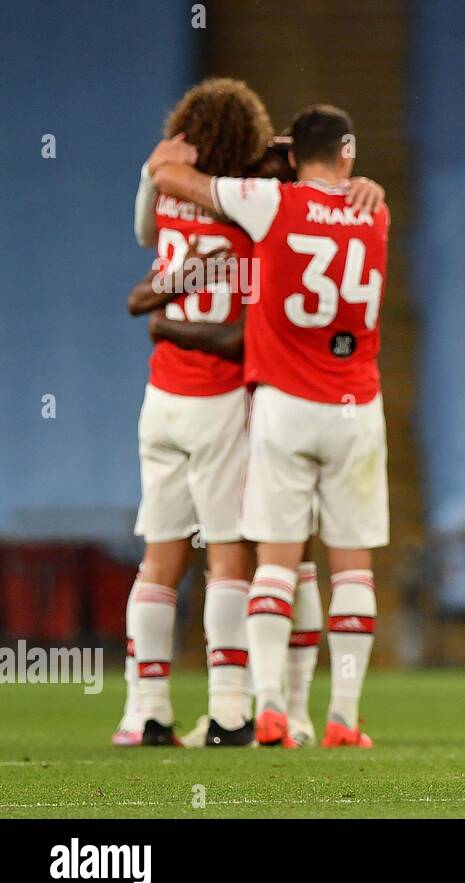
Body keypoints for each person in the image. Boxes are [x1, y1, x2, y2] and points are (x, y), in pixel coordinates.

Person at [146, 104, 390, 748]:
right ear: (348, 153)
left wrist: (168, 162)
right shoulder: (375, 209)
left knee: (277, 565)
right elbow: (337, 182)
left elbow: (183, 186)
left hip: (283, 405)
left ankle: (272, 708)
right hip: (355, 407)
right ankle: (342, 717)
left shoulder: (269, 204)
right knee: (350, 568)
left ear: (293, 154)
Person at [114, 78, 273, 747]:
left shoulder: (172, 205)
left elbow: (142, 227)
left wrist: (156, 168)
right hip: (219, 399)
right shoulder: (252, 208)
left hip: (162, 400)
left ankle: (143, 711)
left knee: (159, 559)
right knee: (228, 558)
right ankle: (231, 709)